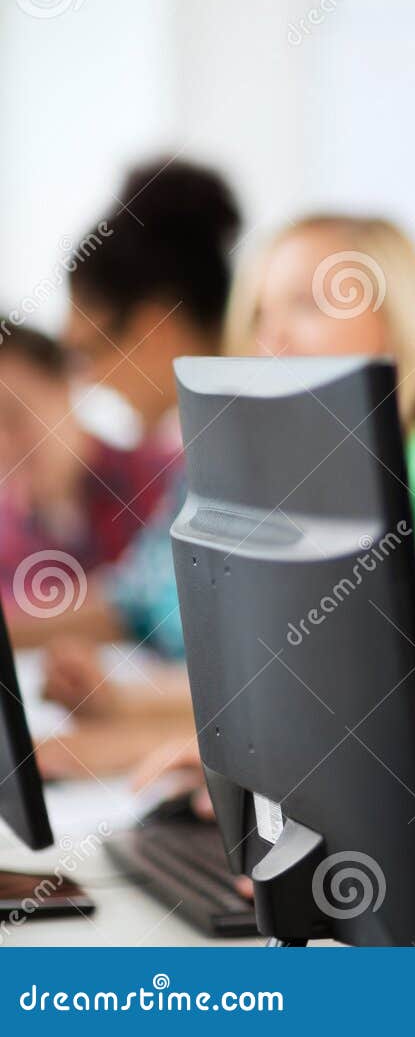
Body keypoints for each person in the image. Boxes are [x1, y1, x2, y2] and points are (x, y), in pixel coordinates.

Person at [131, 214, 415, 807]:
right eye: (258, 315)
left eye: (307, 304)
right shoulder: (333, 490)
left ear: (399, 322)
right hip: (396, 815)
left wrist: (108, 744)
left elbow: (360, 703)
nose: (271, 339)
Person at [15, 160, 240, 778]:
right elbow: (132, 599)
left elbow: (289, 694)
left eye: (87, 353)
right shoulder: (199, 466)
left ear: (153, 328)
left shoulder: (265, 466)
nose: (85, 381)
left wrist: (109, 747)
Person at [0, 323, 173, 600]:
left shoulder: (167, 477)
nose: (4, 444)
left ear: (65, 384)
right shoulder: (7, 544)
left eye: (12, 415)